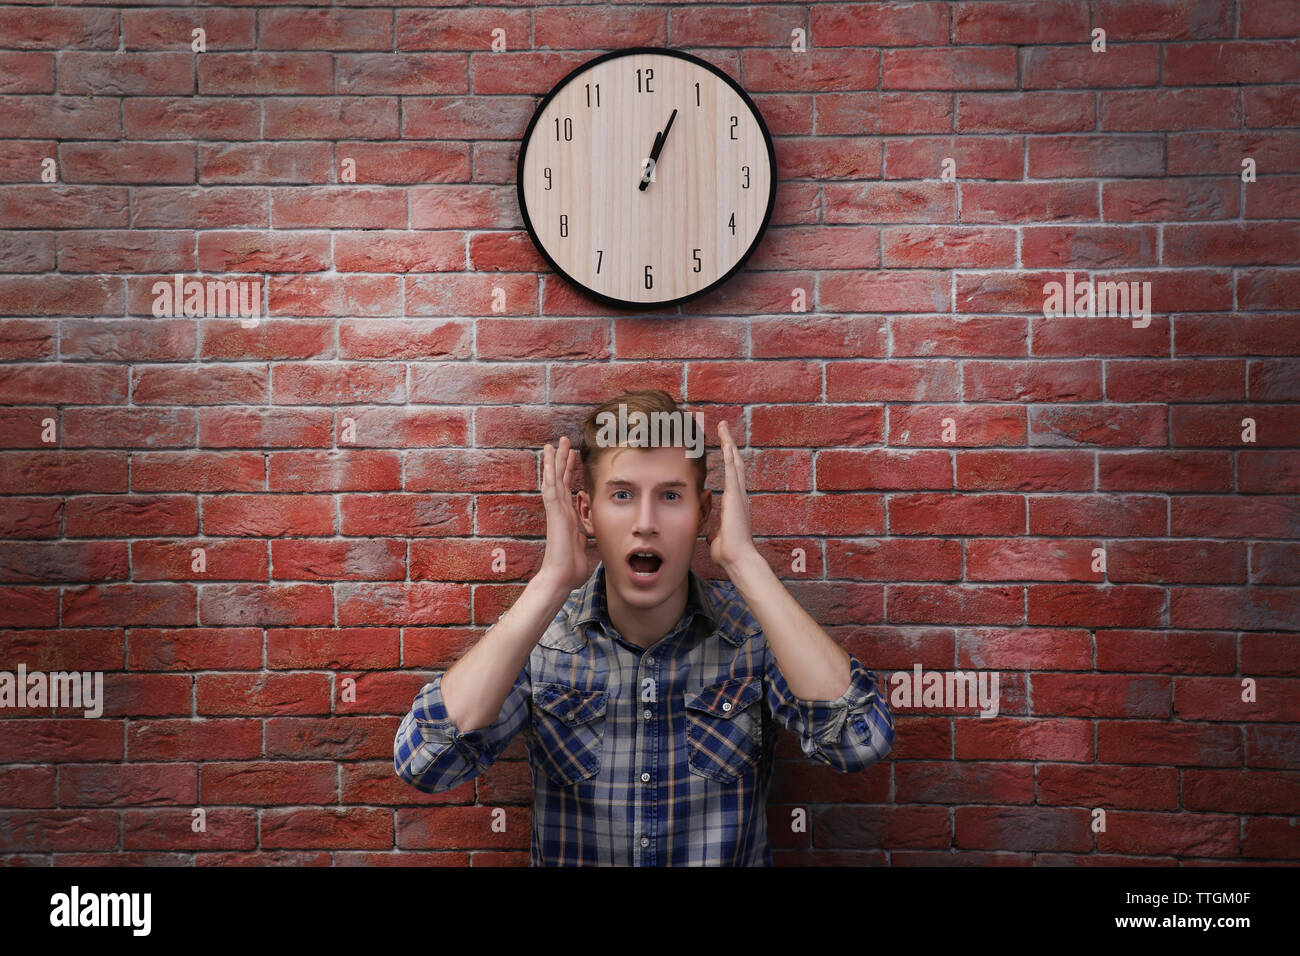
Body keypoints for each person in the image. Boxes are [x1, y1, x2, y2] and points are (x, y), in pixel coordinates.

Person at [393, 389, 894, 865]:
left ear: (704, 513)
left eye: (671, 497)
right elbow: (427, 764)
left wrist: (745, 562)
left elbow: (860, 742)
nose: (646, 522)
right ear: (586, 513)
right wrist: (550, 581)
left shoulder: (754, 637)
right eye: (623, 495)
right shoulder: (542, 641)